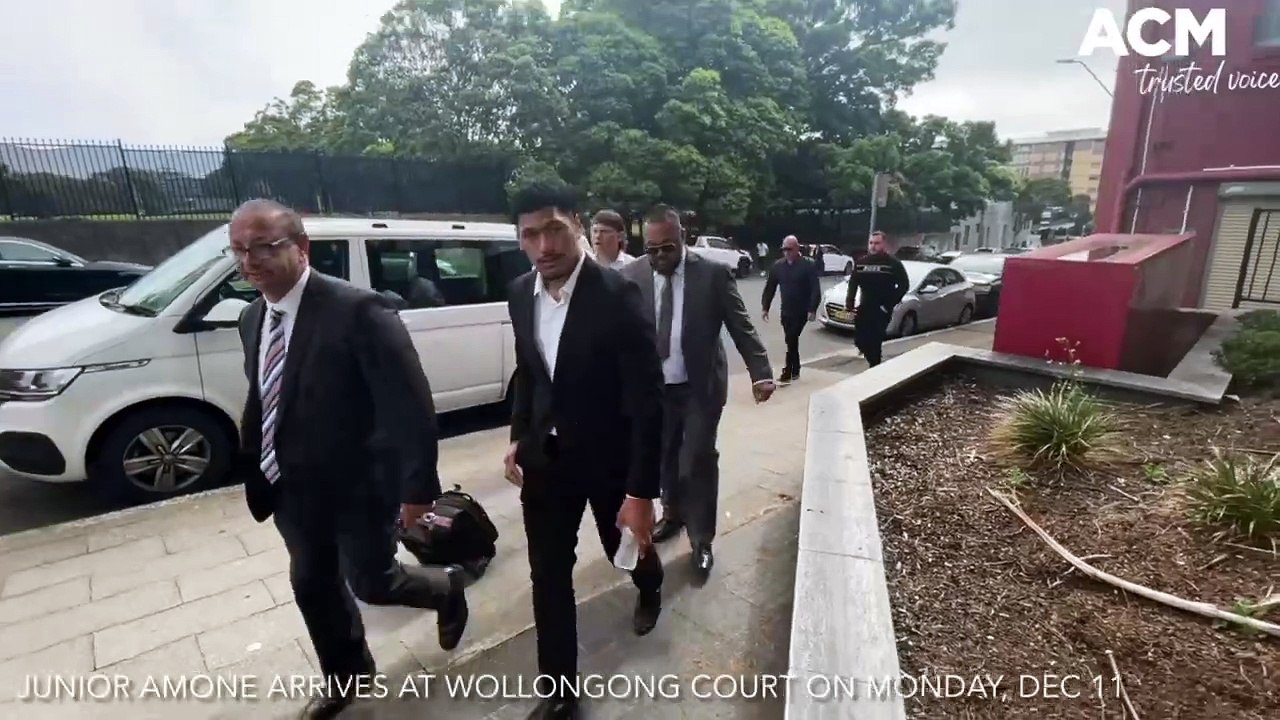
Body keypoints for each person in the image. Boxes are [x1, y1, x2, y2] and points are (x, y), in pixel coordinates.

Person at [229, 199, 467, 720]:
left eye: (265, 247)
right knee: (310, 583)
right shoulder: (251, 317)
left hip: (359, 486)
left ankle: (446, 586)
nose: (251, 261)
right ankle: (347, 674)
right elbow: (268, 393)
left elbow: (410, 406)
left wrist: (416, 490)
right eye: (240, 250)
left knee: (371, 581)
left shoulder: (359, 311)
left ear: (302, 248)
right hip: (289, 485)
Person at [503, 184, 665, 720]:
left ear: (575, 224)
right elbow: (531, 373)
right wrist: (518, 435)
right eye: (531, 234)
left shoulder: (616, 295)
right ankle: (559, 692)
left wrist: (641, 492)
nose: (543, 245)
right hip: (546, 465)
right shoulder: (519, 292)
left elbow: (647, 402)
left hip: (608, 462)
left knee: (625, 548)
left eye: (554, 229)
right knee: (547, 574)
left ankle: (650, 582)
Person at [622, 205, 775, 583]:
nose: (658, 257)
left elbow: (741, 326)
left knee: (698, 459)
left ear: (683, 239)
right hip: (656, 390)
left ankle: (702, 539)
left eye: (667, 248)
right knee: (666, 459)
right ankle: (673, 514)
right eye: (652, 249)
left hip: (699, 387)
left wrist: (761, 374)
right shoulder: (633, 276)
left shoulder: (712, 275)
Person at [761, 235, 821, 384]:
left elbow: (815, 289)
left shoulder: (808, 265)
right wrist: (765, 307)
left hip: (802, 310)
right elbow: (770, 288)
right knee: (791, 340)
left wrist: (812, 309)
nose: (786, 252)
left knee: (792, 338)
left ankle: (788, 370)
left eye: (789, 249)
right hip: (786, 309)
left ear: (797, 248)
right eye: (784, 249)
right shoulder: (778, 266)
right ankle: (796, 368)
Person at [846, 231, 911, 367]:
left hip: (881, 310)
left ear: (884, 244)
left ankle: (875, 367)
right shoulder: (861, 263)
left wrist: (889, 304)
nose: (873, 246)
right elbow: (853, 284)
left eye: (877, 243)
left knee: (875, 342)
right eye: (871, 243)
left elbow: (904, 285)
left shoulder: (893, 263)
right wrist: (850, 306)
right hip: (864, 308)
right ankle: (873, 361)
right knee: (860, 341)